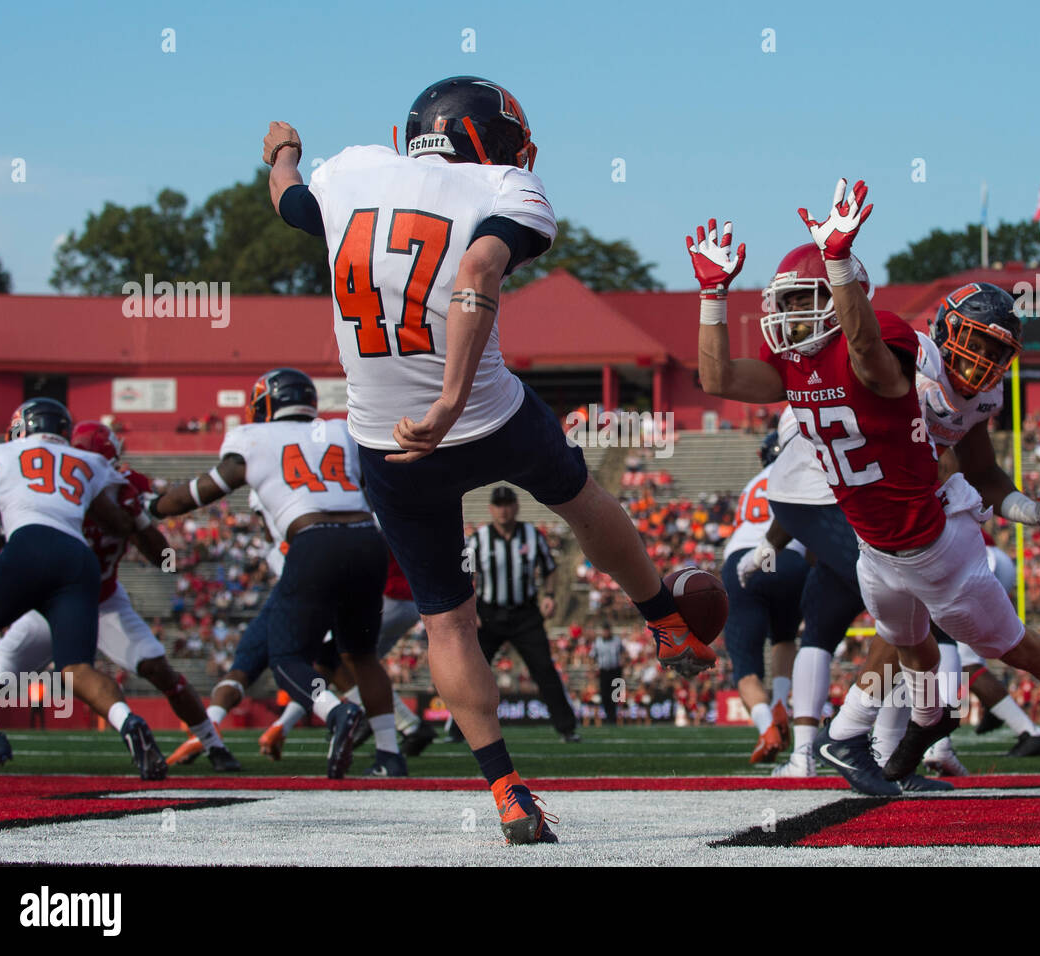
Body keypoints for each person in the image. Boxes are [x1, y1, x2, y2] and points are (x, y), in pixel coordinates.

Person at [263, 76, 707, 843]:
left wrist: (282, 152)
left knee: (447, 619)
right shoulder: (507, 184)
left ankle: (504, 788)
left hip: (384, 439)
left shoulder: (350, 172)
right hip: (485, 413)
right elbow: (477, 275)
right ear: (485, 139)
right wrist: (448, 402)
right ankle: (665, 621)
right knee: (580, 499)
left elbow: (289, 200)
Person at [689, 176, 1040, 799]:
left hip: (932, 541)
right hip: (876, 544)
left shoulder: (890, 348)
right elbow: (714, 378)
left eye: (805, 300)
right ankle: (927, 723)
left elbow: (874, 358)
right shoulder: (799, 367)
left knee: (1015, 649)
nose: (791, 316)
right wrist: (713, 294)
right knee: (908, 653)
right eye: (787, 303)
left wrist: (1034, 511)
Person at [147, 369, 402, 778]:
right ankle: (390, 755)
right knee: (362, 656)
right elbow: (374, 487)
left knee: (285, 656)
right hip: (366, 540)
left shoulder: (251, 437)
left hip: (314, 540)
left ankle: (336, 713)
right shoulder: (340, 430)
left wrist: (154, 506)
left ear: (265, 404)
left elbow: (204, 491)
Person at [0, 421, 241, 772]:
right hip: (51, 602)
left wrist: (137, 520)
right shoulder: (66, 488)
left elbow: (165, 560)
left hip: (101, 600)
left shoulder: (123, 488)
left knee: (159, 671)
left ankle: (213, 744)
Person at [0, 399, 168, 779]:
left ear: (20, 428)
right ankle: (129, 724)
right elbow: (119, 524)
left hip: (28, 548)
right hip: (79, 562)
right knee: (76, 669)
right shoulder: (88, 463)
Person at [452, 486, 579, 743]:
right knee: (472, 672)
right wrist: (469, 609)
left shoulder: (532, 536)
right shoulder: (479, 540)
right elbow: (464, 575)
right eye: (499, 505)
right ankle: (458, 730)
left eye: (508, 504)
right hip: (488, 614)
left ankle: (567, 728)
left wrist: (550, 596)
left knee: (544, 668)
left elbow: (550, 569)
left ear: (516, 507)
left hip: (525, 614)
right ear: (491, 509)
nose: (504, 509)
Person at [722, 429, 805, 764]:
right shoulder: (800, 472)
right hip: (790, 557)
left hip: (744, 560)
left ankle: (766, 728)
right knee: (785, 637)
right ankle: (781, 700)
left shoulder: (750, 485)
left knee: (745, 664)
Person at [591, 624, 625, 725]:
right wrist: (592, 668)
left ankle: (613, 717)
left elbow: (623, 652)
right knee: (605, 694)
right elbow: (592, 655)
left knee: (615, 694)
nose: (606, 633)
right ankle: (608, 716)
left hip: (615, 670)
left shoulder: (617, 640)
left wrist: (623, 662)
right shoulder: (598, 642)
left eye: (607, 630)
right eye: (604, 631)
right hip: (603, 671)